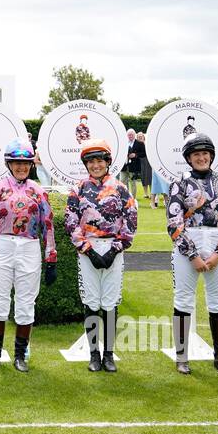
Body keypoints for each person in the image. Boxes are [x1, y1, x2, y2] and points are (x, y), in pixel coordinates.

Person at [0, 138, 57, 373]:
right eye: (16, 163)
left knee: (26, 302)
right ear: (8, 163)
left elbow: (48, 224)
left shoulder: (38, 191)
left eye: (25, 163)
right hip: (2, 246)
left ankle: (20, 355)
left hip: (29, 246)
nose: (21, 167)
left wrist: (51, 258)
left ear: (31, 164)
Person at [166, 133, 218, 375]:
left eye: (205, 153)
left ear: (211, 156)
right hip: (189, 242)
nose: (201, 158)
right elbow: (173, 222)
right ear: (189, 158)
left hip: (217, 242)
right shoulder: (179, 184)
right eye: (196, 154)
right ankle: (181, 356)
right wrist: (192, 254)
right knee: (183, 300)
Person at [64, 139, 137, 373]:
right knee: (91, 302)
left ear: (107, 162)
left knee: (110, 302)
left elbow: (131, 219)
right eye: (91, 161)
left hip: (113, 248)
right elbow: (71, 221)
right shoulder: (78, 189)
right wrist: (87, 250)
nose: (96, 165)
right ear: (86, 164)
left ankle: (109, 355)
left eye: (100, 160)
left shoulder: (120, 188)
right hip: (88, 250)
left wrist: (116, 248)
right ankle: (94, 354)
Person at [119, 129, 140, 195]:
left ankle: (133, 199)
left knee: (133, 182)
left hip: (133, 166)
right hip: (124, 166)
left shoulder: (139, 143)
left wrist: (135, 155)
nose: (130, 136)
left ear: (134, 135)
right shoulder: (123, 143)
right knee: (122, 181)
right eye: (129, 135)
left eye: (131, 135)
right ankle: (126, 197)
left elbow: (143, 154)